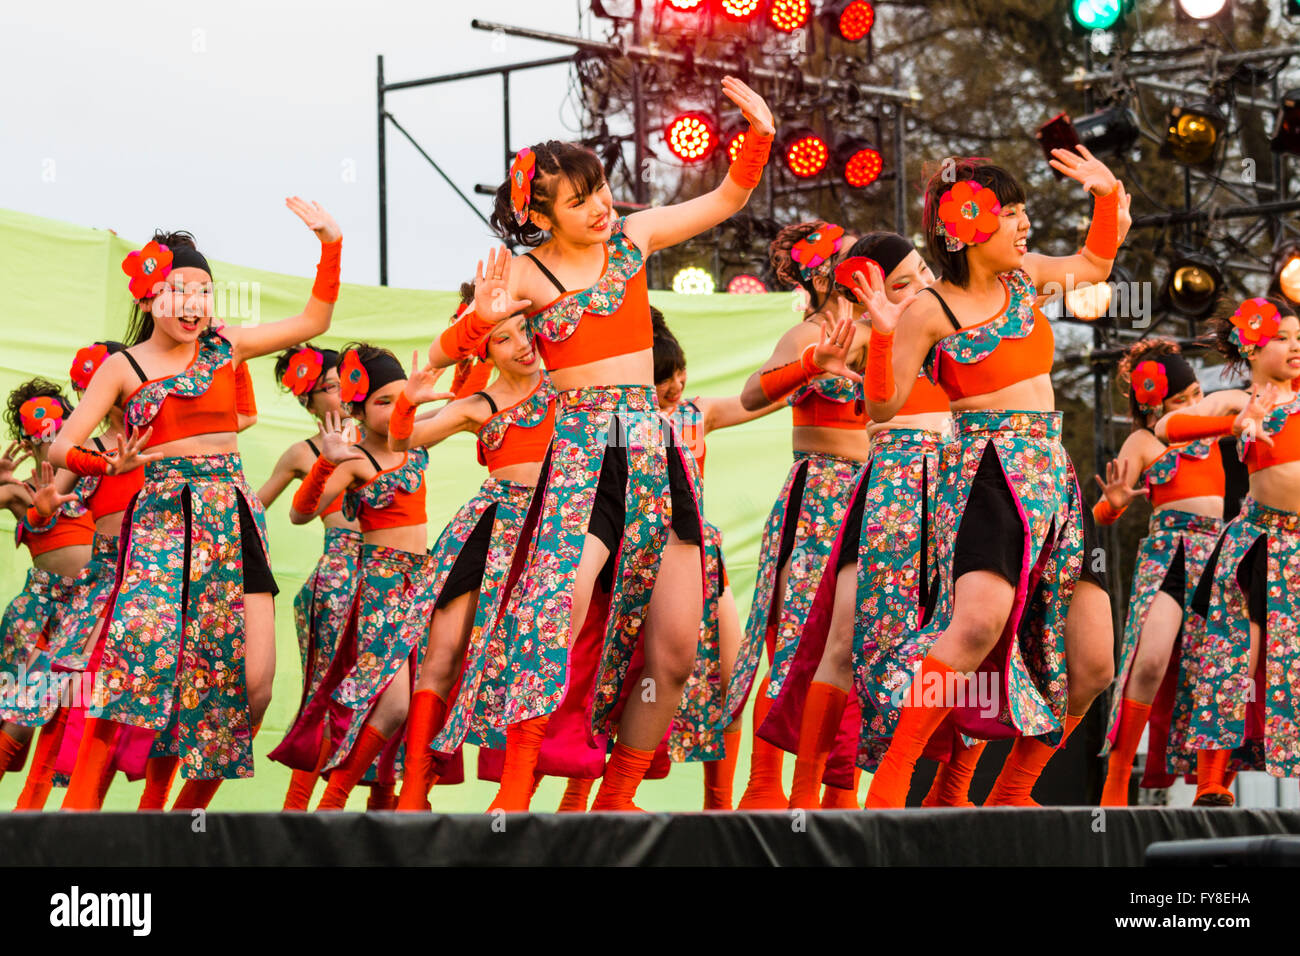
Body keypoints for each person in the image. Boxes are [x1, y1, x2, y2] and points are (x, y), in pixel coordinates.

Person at [428, 76, 776, 811]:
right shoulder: (527, 271)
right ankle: (515, 792)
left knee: (678, 650)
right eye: (578, 198)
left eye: (599, 189)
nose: (599, 205)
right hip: (583, 454)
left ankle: (618, 797)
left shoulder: (635, 236)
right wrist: (475, 323)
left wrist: (759, 137)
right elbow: (437, 357)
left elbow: (725, 200)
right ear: (539, 213)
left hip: (651, 450)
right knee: (556, 608)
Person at [858, 153, 1127, 807]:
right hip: (986, 472)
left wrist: (1107, 195)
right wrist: (885, 337)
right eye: (1009, 212)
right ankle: (895, 779)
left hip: (1053, 477)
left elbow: (1094, 267)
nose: (1025, 224)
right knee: (976, 627)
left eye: (1022, 210)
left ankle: (1013, 792)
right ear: (968, 223)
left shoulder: (1028, 279)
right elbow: (883, 407)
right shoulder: (929, 308)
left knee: (1093, 661)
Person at [55, 199, 342, 810]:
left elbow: (315, 320)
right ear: (148, 298)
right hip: (162, 522)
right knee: (139, 674)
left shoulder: (226, 347)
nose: (193, 304)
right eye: (177, 290)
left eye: (204, 291)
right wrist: (109, 465)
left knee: (255, 689)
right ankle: (79, 822)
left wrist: (330, 243)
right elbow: (60, 447)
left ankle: (177, 822)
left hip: (233, 517)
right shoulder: (123, 367)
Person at [756, 232, 972, 810]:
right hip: (877, 492)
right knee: (835, 638)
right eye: (904, 279)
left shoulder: (949, 330)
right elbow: (751, 396)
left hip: (951, 490)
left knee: (966, 636)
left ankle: (942, 794)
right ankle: (797, 794)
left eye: (924, 270)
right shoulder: (842, 335)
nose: (922, 284)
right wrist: (812, 363)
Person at [729, 221, 874, 809]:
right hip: (818, 498)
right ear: (823, 272)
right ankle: (766, 785)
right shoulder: (804, 335)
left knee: (858, 644)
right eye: (847, 259)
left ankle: (838, 793)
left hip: (877, 500)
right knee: (795, 640)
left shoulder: (887, 330)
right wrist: (813, 363)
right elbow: (749, 395)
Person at [388, 310, 556, 811]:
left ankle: (519, 790)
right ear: (485, 353)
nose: (521, 345)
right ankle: (415, 787)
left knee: (540, 660)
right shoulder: (477, 405)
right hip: (490, 527)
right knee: (442, 654)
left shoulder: (570, 386)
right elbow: (405, 442)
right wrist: (407, 403)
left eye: (525, 329)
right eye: (502, 340)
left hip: (557, 531)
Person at [270, 343, 443, 810]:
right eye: (383, 402)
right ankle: (327, 805)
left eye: (401, 399)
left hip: (421, 585)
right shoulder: (356, 461)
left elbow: (466, 402)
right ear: (357, 409)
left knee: (412, 710)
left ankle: (383, 815)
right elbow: (300, 513)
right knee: (391, 705)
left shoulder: (415, 441)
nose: (397, 409)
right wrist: (327, 461)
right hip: (380, 586)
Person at [1156, 296, 1300, 805]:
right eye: (1282, 337)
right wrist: (1233, 424)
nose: (1295, 345)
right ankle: (1213, 782)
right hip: (1258, 545)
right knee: (1236, 658)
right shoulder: (1240, 400)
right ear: (1252, 347)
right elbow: (1165, 428)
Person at [649, 306, 783, 811]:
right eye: (663, 378)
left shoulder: (696, 414)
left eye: (679, 371)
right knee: (633, 686)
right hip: (639, 564)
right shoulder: (620, 424)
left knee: (729, 681)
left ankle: (718, 809)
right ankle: (598, 801)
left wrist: (811, 365)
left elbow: (761, 400)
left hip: (702, 561)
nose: (675, 384)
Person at [1091, 340, 1224, 805]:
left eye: (1195, 394)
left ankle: (1212, 781)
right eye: (1180, 400)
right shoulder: (1143, 442)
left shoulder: (1217, 435)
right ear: (1154, 406)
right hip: (1169, 553)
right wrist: (1115, 504)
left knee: (1215, 668)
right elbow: (1103, 511)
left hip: (1220, 554)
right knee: (1149, 662)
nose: (1192, 405)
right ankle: (1117, 775)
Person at [258, 345, 371, 810]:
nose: (340, 394)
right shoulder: (301, 453)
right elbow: (251, 508)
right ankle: (297, 812)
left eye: (343, 382)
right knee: (328, 695)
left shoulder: (385, 435)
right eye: (327, 387)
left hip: (398, 573)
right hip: (340, 576)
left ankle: (383, 817)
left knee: (389, 698)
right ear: (308, 402)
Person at [0, 382, 92, 806]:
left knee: (56, 723)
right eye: (40, 434)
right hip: (37, 615)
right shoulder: (21, 491)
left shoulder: (89, 484)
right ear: (25, 440)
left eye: (58, 428)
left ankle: (29, 820)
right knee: (17, 719)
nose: (50, 439)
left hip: (83, 616)